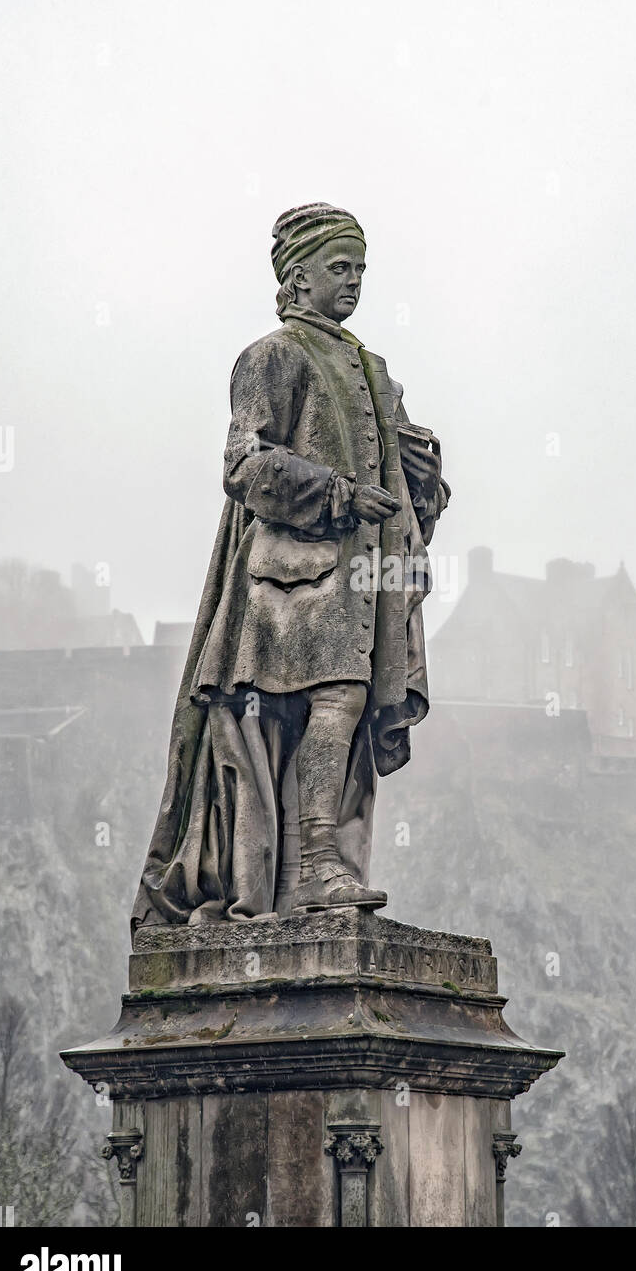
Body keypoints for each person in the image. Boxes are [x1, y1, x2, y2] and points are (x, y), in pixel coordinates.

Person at [131, 202, 449, 932]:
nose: (354, 282)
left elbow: (407, 491)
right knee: (330, 699)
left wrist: (421, 474)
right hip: (289, 584)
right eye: (339, 268)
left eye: (361, 269)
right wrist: (335, 494)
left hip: (361, 586)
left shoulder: (373, 370)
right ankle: (312, 866)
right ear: (297, 279)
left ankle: (320, 864)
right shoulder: (272, 355)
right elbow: (244, 463)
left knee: (350, 699)